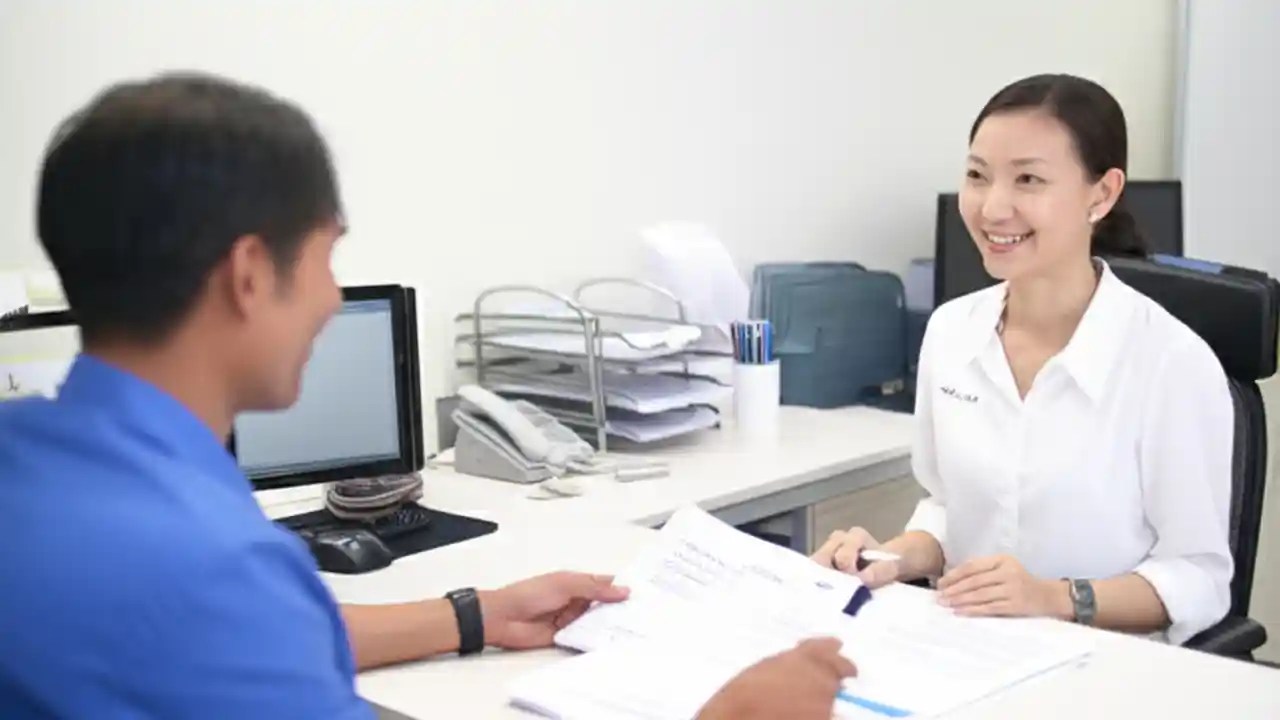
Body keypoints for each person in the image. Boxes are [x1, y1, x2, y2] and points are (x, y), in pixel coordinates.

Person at [0, 74, 854, 719]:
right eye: (326, 258)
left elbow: (227, 641)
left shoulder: (32, 462)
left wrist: (471, 617)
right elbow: (221, 621)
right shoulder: (211, 569)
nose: (334, 300)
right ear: (251, 275)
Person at [814, 73, 1233, 645]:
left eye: (1028, 179)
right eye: (977, 176)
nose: (992, 207)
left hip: (1107, 671)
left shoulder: (1171, 362)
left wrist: (1055, 598)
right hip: (965, 650)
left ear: (1102, 195)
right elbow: (947, 507)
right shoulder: (951, 332)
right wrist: (890, 557)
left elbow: (1199, 579)